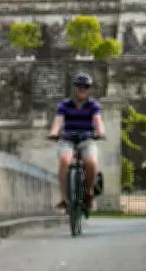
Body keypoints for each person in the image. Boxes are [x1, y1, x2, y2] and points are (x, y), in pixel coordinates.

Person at [48, 72, 105, 211]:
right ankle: (64, 199)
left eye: (85, 87)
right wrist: (54, 132)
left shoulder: (93, 105)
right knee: (64, 161)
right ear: (75, 88)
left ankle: (89, 193)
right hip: (68, 139)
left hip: (87, 139)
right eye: (79, 86)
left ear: (89, 89)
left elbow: (97, 120)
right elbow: (58, 120)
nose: (82, 89)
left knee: (91, 162)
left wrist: (100, 132)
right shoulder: (65, 104)